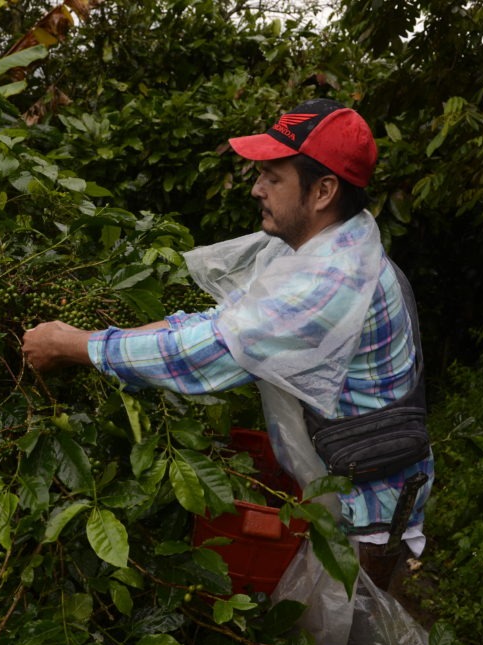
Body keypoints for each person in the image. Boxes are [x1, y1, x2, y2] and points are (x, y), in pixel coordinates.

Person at [22, 98, 434, 592]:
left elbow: (208, 353)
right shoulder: (325, 248)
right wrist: (104, 339)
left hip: (367, 509)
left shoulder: (330, 283)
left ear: (323, 190)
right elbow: (224, 321)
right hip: (349, 480)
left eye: (273, 178)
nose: (257, 188)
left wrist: (75, 345)